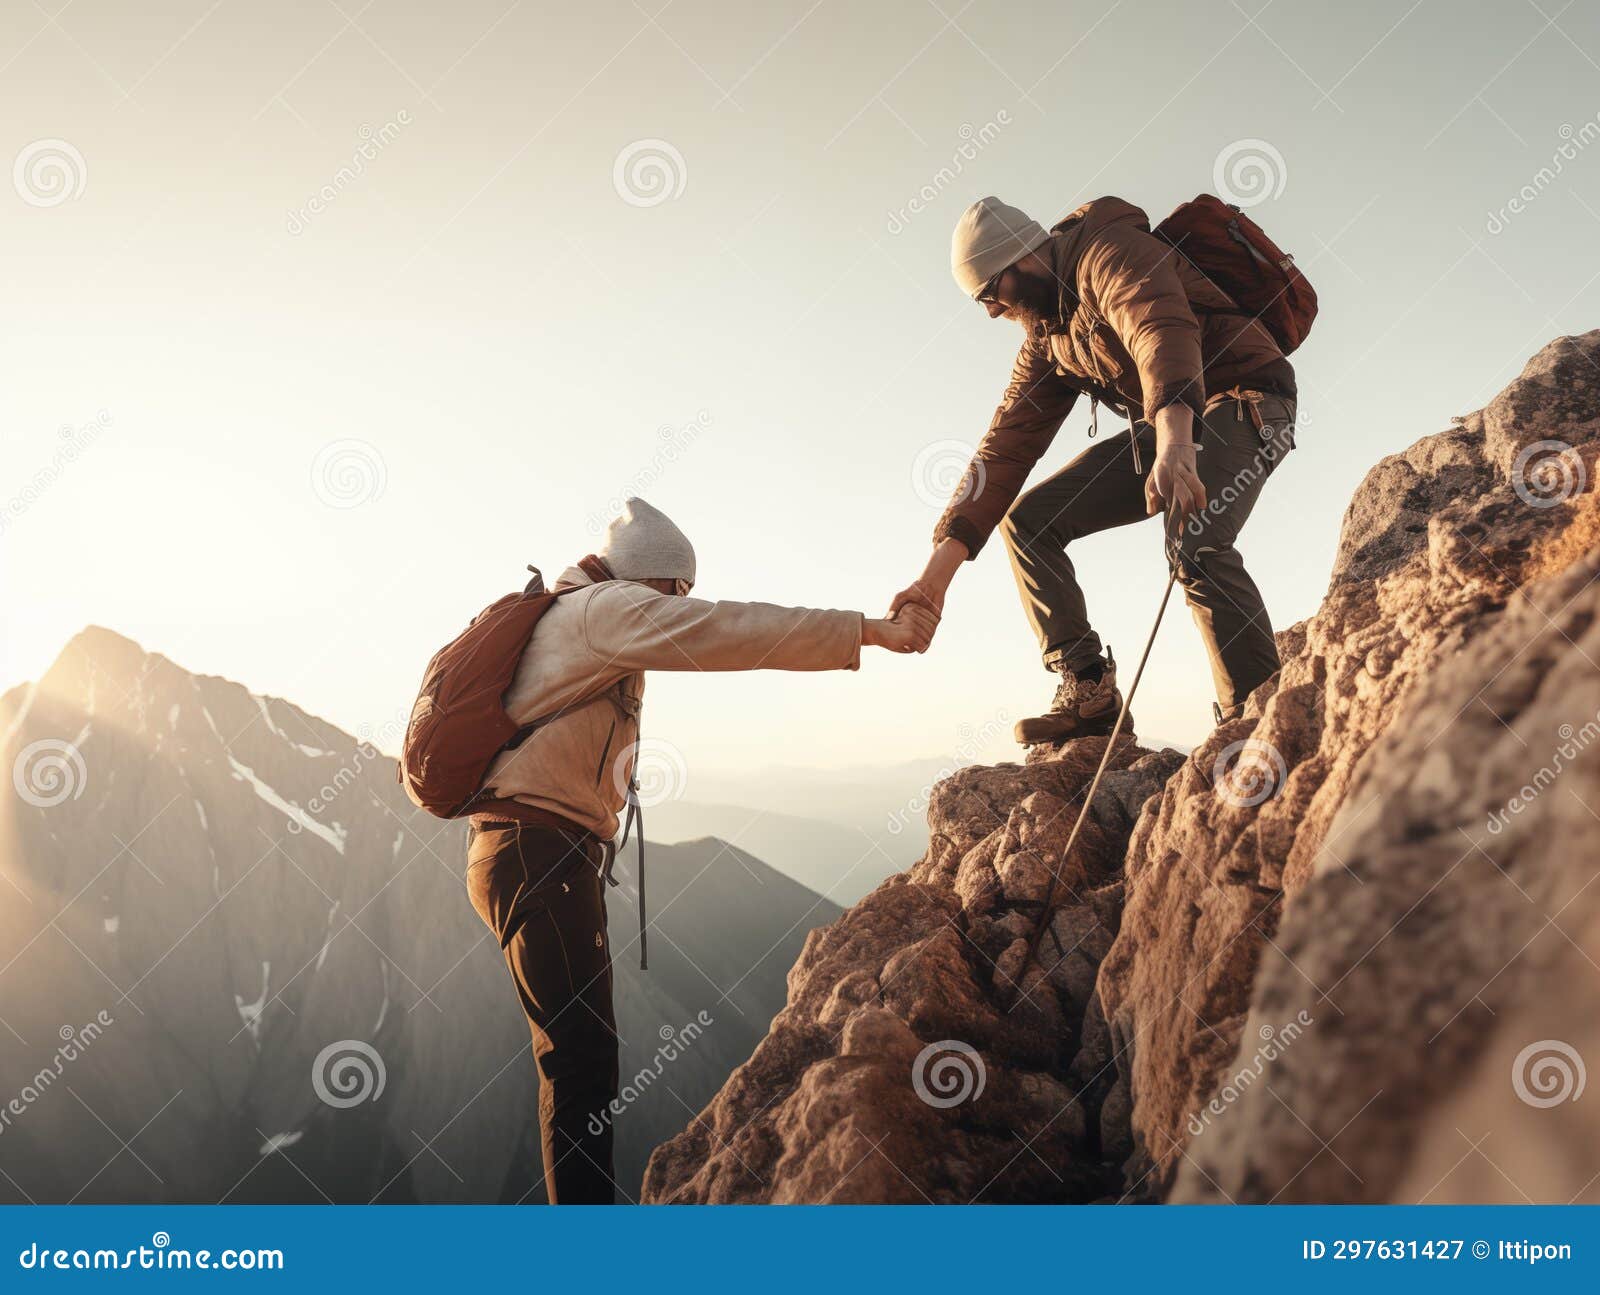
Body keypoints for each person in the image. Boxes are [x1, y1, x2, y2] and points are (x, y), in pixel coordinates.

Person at [463, 498, 934, 1203]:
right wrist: (866, 631)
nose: (683, 607)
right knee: (582, 1063)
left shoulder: (576, 612)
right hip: (538, 854)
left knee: (577, 1058)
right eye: (679, 594)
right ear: (653, 582)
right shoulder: (605, 610)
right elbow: (731, 629)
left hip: (526, 854)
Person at [891, 196, 1298, 744]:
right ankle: (1090, 694)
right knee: (1028, 523)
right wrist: (934, 579)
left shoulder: (1107, 252)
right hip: (1175, 420)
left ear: (1020, 260)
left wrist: (1176, 441)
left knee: (1194, 540)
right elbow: (1005, 449)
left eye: (992, 294)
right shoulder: (1049, 336)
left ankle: (1256, 719)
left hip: (1246, 396)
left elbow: (1160, 326)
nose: (992, 311)